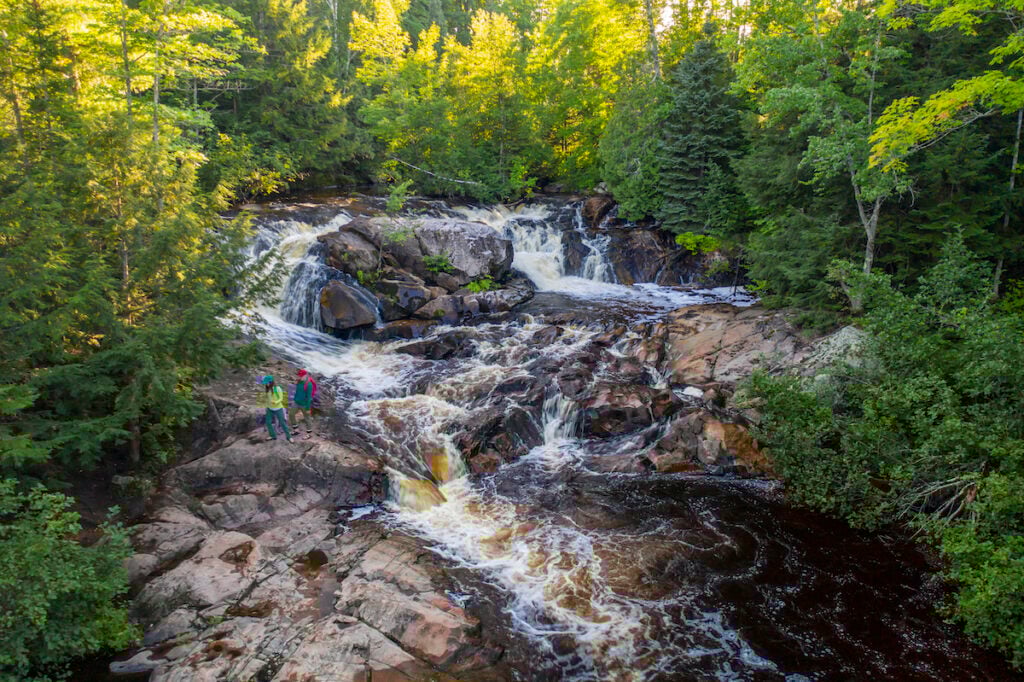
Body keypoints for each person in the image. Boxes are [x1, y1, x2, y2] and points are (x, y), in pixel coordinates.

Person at [261, 375, 292, 443]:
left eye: (267, 382)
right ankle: (273, 436)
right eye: (265, 383)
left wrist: (275, 402)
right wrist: (266, 404)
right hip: (269, 408)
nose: (266, 384)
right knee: (268, 422)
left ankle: (289, 437)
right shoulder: (267, 389)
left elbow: (281, 398)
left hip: (278, 408)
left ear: (271, 382)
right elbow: (268, 398)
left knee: (282, 423)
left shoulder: (277, 388)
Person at [290, 369, 317, 440]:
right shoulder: (299, 382)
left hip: (304, 404)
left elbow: (309, 397)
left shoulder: (309, 385)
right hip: (296, 402)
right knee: (291, 414)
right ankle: (296, 430)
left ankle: (309, 434)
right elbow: (297, 391)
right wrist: (295, 399)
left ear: (305, 375)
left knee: (307, 418)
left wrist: (308, 408)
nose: (299, 377)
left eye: (301, 376)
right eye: (299, 375)